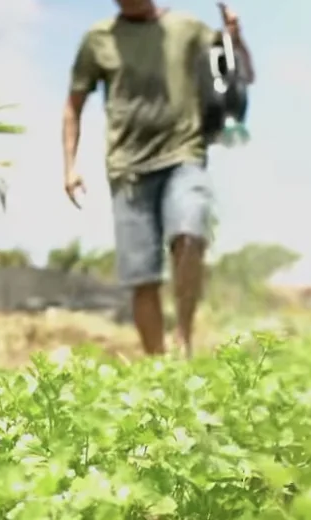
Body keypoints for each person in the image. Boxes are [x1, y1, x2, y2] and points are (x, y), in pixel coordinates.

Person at [62, 1, 254, 358]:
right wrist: (70, 166)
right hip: (128, 167)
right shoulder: (97, 39)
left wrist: (235, 37)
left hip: (184, 153)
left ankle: (183, 335)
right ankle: (158, 365)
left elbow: (243, 74)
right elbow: (73, 105)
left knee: (190, 232)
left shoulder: (187, 28)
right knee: (142, 277)